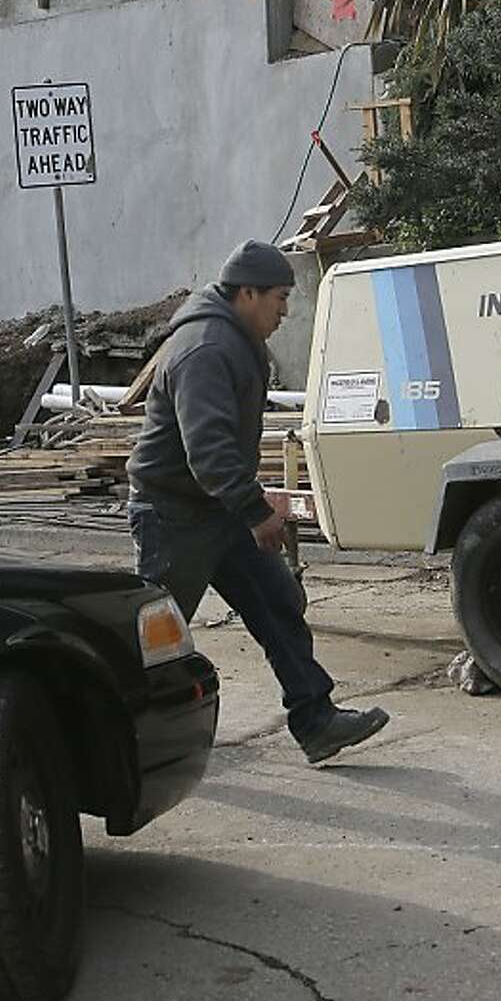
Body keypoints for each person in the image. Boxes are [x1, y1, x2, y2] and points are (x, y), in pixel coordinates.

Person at [127, 240, 389, 764]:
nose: (285, 311)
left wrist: (249, 502)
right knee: (155, 639)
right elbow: (209, 451)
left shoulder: (235, 338)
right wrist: (255, 510)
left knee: (278, 602)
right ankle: (119, 742)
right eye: (280, 298)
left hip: (217, 508)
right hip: (175, 516)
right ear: (246, 294)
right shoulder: (205, 348)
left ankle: (316, 720)